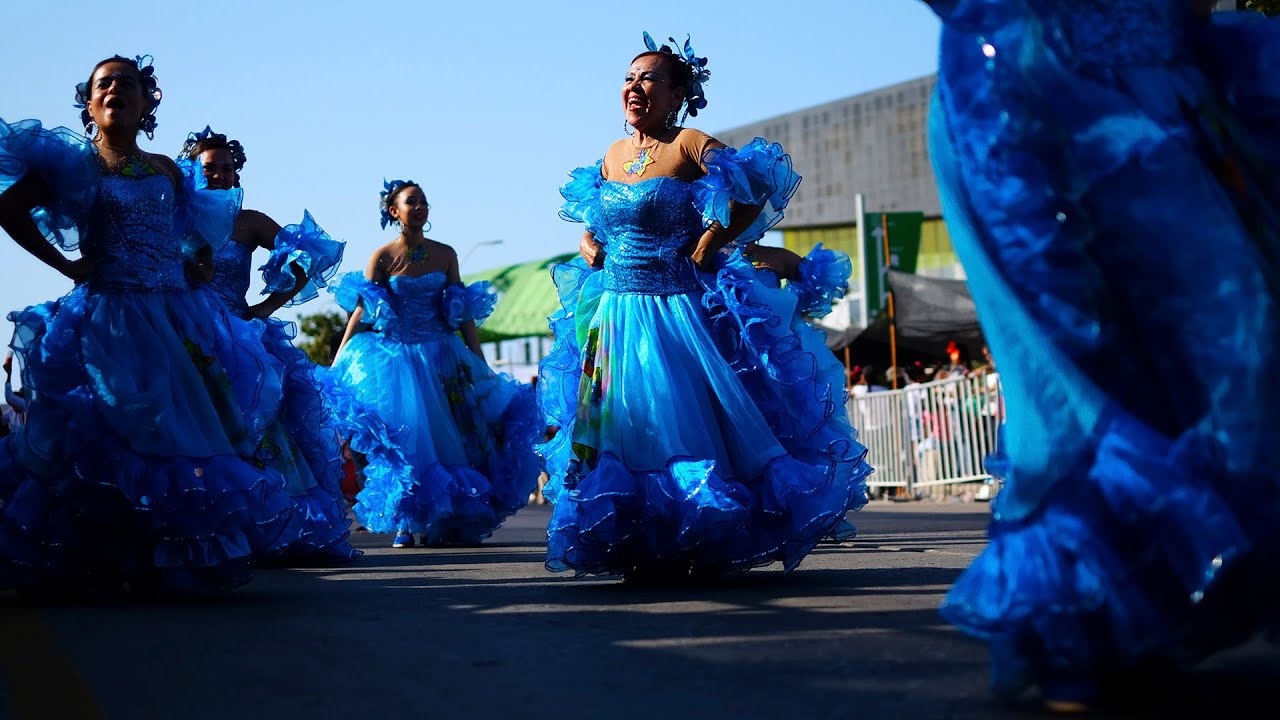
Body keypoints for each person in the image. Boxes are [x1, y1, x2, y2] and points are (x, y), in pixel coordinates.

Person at [925, 1, 1280, 710]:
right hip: (1019, 69)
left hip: (1161, 77)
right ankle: (1090, 620)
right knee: (1072, 357)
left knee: (1235, 332)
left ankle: (1152, 601)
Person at [536, 32, 870, 580]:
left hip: (675, 312)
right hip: (614, 314)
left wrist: (716, 236)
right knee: (620, 426)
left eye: (650, 79)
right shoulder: (613, 156)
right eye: (629, 78)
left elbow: (756, 180)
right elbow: (596, 222)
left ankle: (694, 532)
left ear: (676, 95)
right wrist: (588, 244)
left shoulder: (690, 143)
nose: (635, 87)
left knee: (680, 424)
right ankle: (639, 541)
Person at [0, 55, 302, 594]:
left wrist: (198, 262)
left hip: (177, 315)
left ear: (147, 101)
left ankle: (175, 554)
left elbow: (187, 235)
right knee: (113, 434)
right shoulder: (77, 166)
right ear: (90, 104)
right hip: (109, 319)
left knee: (184, 432)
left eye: (128, 82)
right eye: (104, 83)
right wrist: (66, 265)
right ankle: (113, 555)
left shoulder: (166, 169)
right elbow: (8, 209)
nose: (116, 89)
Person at [323, 180, 541, 548]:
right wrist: (340, 357)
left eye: (424, 201)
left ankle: (450, 516)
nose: (420, 206)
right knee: (408, 443)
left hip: (442, 357)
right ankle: (407, 522)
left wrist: (479, 361)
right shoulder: (383, 257)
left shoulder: (446, 254)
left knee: (454, 440)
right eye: (412, 202)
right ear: (394, 211)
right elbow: (363, 310)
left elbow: (463, 314)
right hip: (397, 363)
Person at [179, 126, 357, 562]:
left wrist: (265, 307)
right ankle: (209, 526)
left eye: (227, 168)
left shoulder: (249, 222)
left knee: (257, 428)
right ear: (191, 171)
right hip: (184, 334)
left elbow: (309, 257)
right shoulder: (174, 218)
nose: (219, 175)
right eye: (209, 168)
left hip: (241, 338)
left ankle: (271, 525)